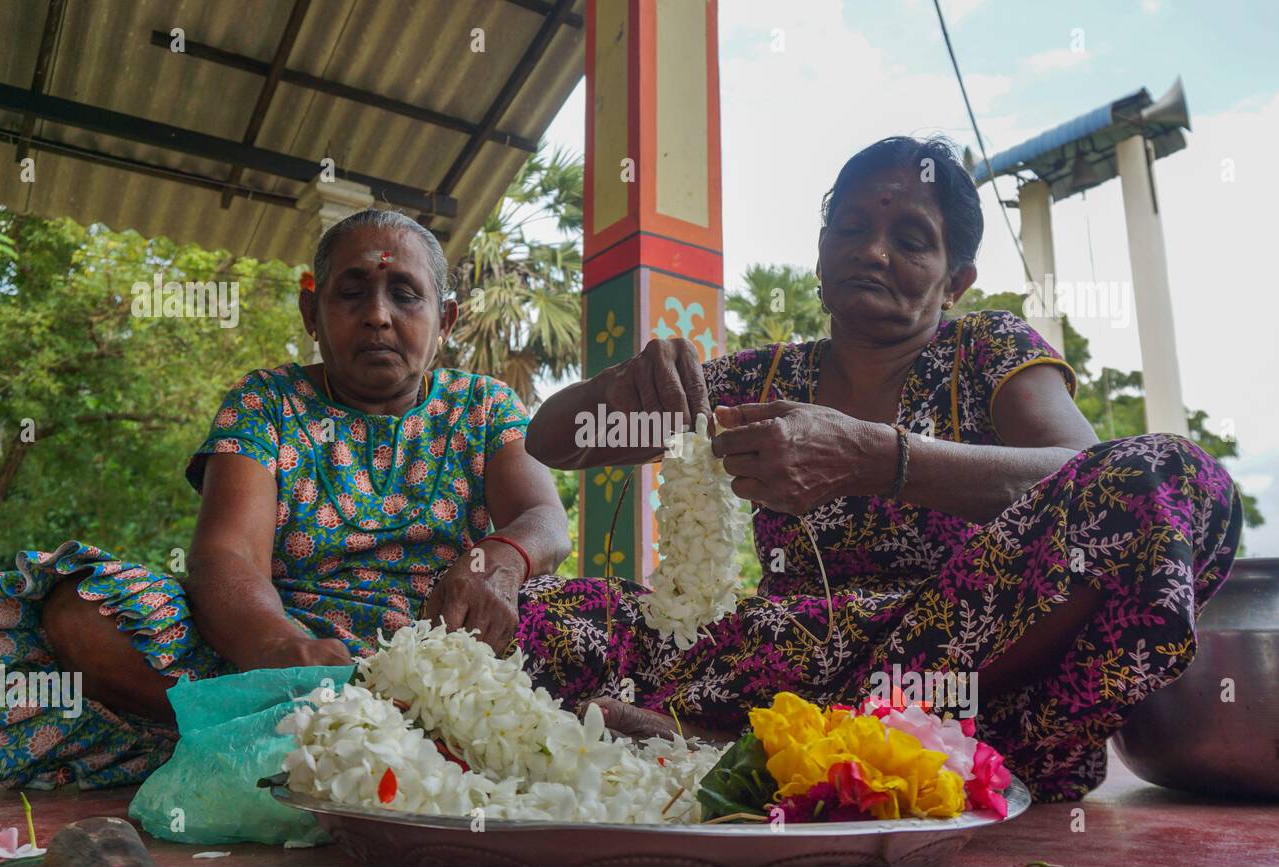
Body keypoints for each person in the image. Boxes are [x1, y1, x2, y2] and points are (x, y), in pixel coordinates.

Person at [522, 136, 1243, 802]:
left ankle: (760, 749)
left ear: (955, 280)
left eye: (910, 240)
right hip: (779, 660)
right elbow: (556, 440)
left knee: (1172, 476)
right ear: (820, 252)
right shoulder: (762, 379)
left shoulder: (988, 351)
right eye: (850, 228)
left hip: (953, 670)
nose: (872, 251)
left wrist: (881, 459)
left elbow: (1091, 480)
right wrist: (623, 383)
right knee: (544, 615)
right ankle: (781, 748)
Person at [0, 209, 570, 789]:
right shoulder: (267, 401)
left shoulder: (486, 406)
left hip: (448, 662)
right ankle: (365, 736)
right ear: (311, 313)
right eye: (353, 292)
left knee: (603, 615)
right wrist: (279, 649)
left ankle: (316, 742)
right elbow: (226, 556)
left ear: (446, 319)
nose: (378, 317)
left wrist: (498, 562)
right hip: (282, 661)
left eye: (406, 295)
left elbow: (544, 519)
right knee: (78, 611)